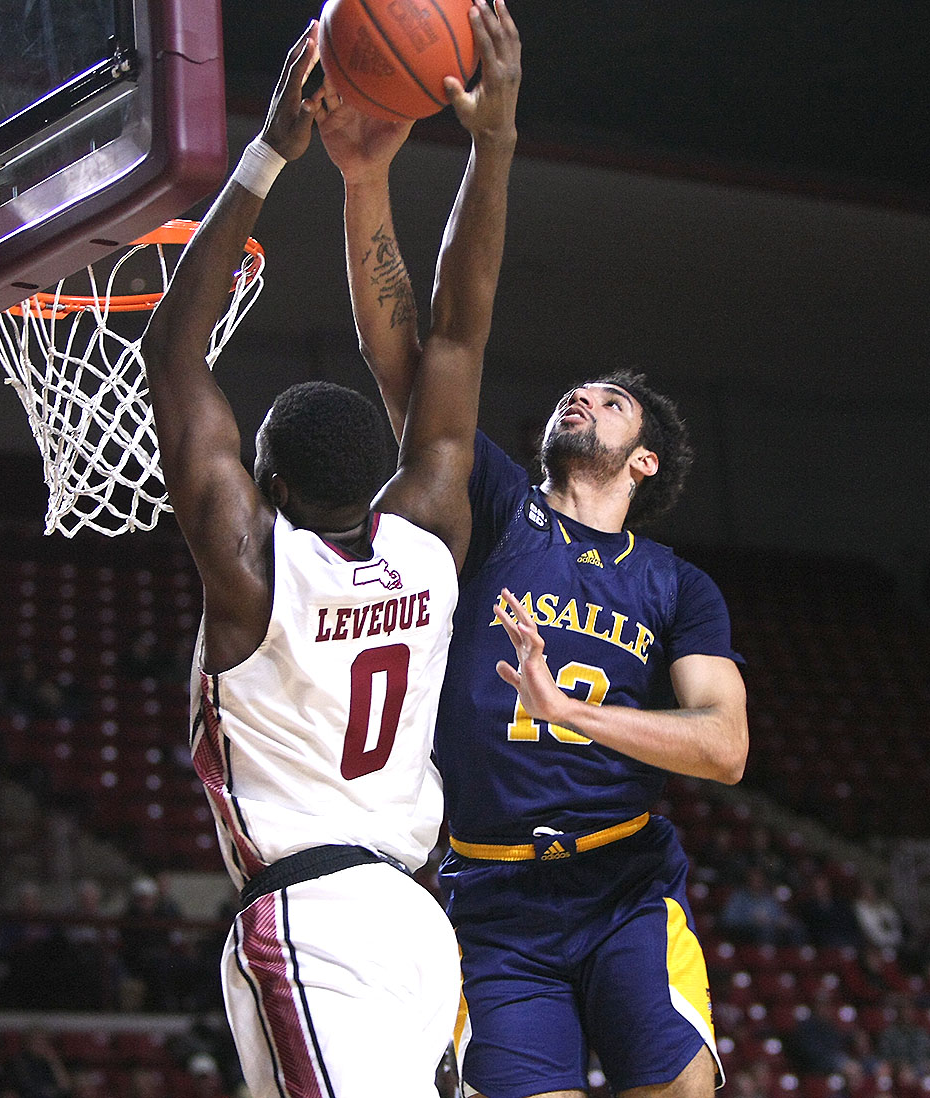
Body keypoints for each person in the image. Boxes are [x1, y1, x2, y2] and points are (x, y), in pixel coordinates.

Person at [336, 47, 748, 1098]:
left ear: (643, 458)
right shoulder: (488, 502)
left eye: (611, 403)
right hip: (490, 898)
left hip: (620, 881)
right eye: (578, 392)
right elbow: (409, 358)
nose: (584, 399)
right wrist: (362, 179)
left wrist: (572, 708)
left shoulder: (674, 587)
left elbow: (721, 746)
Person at [138, 4, 520, 1094]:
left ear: (270, 489)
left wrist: (269, 147)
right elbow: (456, 334)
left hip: (317, 926)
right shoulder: (430, 546)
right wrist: (488, 140)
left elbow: (175, 354)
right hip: (417, 926)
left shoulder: (253, 578)